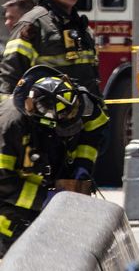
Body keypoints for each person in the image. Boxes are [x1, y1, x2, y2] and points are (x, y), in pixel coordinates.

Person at [0, 0, 107, 149]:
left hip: (78, 127)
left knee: (78, 180)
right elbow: (9, 81)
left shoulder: (80, 27)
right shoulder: (33, 25)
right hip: (42, 130)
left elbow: (90, 78)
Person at [0, 66, 100, 257]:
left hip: (34, 199)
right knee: (22, 248)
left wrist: (82, 167)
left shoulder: (68, 99)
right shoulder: (10, 128)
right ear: (42, 117)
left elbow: (96, 126)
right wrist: (45, 198)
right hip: (7, 207)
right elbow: (3, 183)